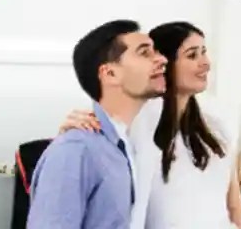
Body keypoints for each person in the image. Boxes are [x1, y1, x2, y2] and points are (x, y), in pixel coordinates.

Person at [58, 22, 241, 229]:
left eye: (204, 53)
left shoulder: (217, 126)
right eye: (192, 55)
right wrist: (68, 130)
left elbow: (234, 206)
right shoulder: (140, 123)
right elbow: (97, 139)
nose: (206, 64)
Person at [27, 20, 168, 228]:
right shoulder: (75, 150)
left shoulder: (126, 147)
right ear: (110, 74)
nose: (162, 59)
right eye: (144, 53)